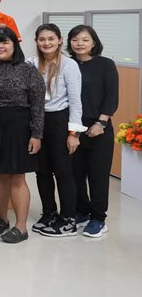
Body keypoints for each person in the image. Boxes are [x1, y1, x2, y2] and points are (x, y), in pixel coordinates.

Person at [0, 27, 45, 244]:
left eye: (5, 42)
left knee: (17, 177)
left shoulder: (28, 70)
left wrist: (36, 134)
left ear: (14, 45)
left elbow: (38, 105)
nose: (0, 46)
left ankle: (21, 227)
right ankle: (2, 219)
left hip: (20, 126)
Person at [28, 24, 87, 237]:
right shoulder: (32, 64)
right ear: (36, 41)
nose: (46, 43)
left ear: (60, 40)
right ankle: (49, 213)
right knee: (42, 171)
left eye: (51, 39)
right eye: (42, 39)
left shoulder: (69, 65)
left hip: (59, 121)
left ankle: (68, 219)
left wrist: (74, 134)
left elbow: (75, 101)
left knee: (62, 171)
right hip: (37, 120)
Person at [67, 25, 118, 238]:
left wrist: (101, 123)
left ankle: (98, 218)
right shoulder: (67, 65)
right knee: (75, 174)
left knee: (97, 176)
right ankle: (82, 211)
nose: (79, 43)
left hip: (99, 127)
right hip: (73, 128)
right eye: (75, 39)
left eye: (85, 40)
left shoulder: (106, 65)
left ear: (94, 42)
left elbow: (111, 96)